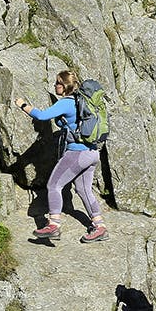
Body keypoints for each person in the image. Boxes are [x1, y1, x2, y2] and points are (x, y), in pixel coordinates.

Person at [15, 70, 109, 242]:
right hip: (92, 152)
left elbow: (42, 115)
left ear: (65, 85)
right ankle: (100, 226)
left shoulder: (67, 102)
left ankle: (54, 225)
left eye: (57, 83)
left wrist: (22, 105)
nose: (54, 85)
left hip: (77, 152)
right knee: (83, 189)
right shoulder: (82, 102)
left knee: (54, 185)